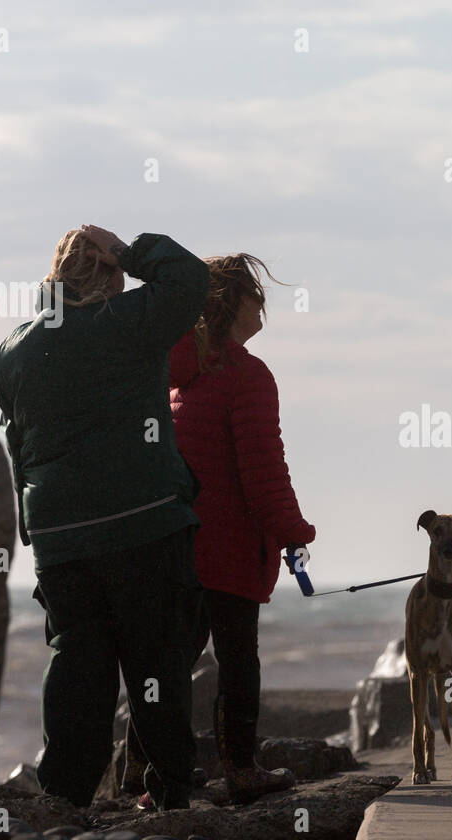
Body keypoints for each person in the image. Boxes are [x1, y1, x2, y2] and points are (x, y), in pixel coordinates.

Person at [0, 225, 209, 811]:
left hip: (60, 541)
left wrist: (31, 530)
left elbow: (20, 447)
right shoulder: (127, 323)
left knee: (78, 667)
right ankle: (168, 792)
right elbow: (191, 279)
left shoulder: (13, 351)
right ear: (111, 271)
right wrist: (136, 251)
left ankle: (62, 799)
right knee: (157, 659)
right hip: (143, 525)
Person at [166, 253, 316, 801]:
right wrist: (293, 529)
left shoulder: (179, 376)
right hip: (228, 544)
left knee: (171, 662)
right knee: (237, 661)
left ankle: (149, 772)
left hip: (180, 542)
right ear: (233, 302)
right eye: (256, 295)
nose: (263, 306)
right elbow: (262, 466)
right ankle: (241, 770)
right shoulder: (246, 375)